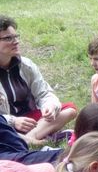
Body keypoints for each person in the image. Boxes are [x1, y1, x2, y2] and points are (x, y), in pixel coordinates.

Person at [0, 15, 76, 143]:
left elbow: (44, 93)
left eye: (16, 36)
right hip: (5, 123)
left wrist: (49, 107)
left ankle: (29, 137)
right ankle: (31, 136)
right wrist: (13, 121)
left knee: (69, 109)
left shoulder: (26, 65)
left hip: (31, 121)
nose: (16, 41)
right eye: (8, 38)